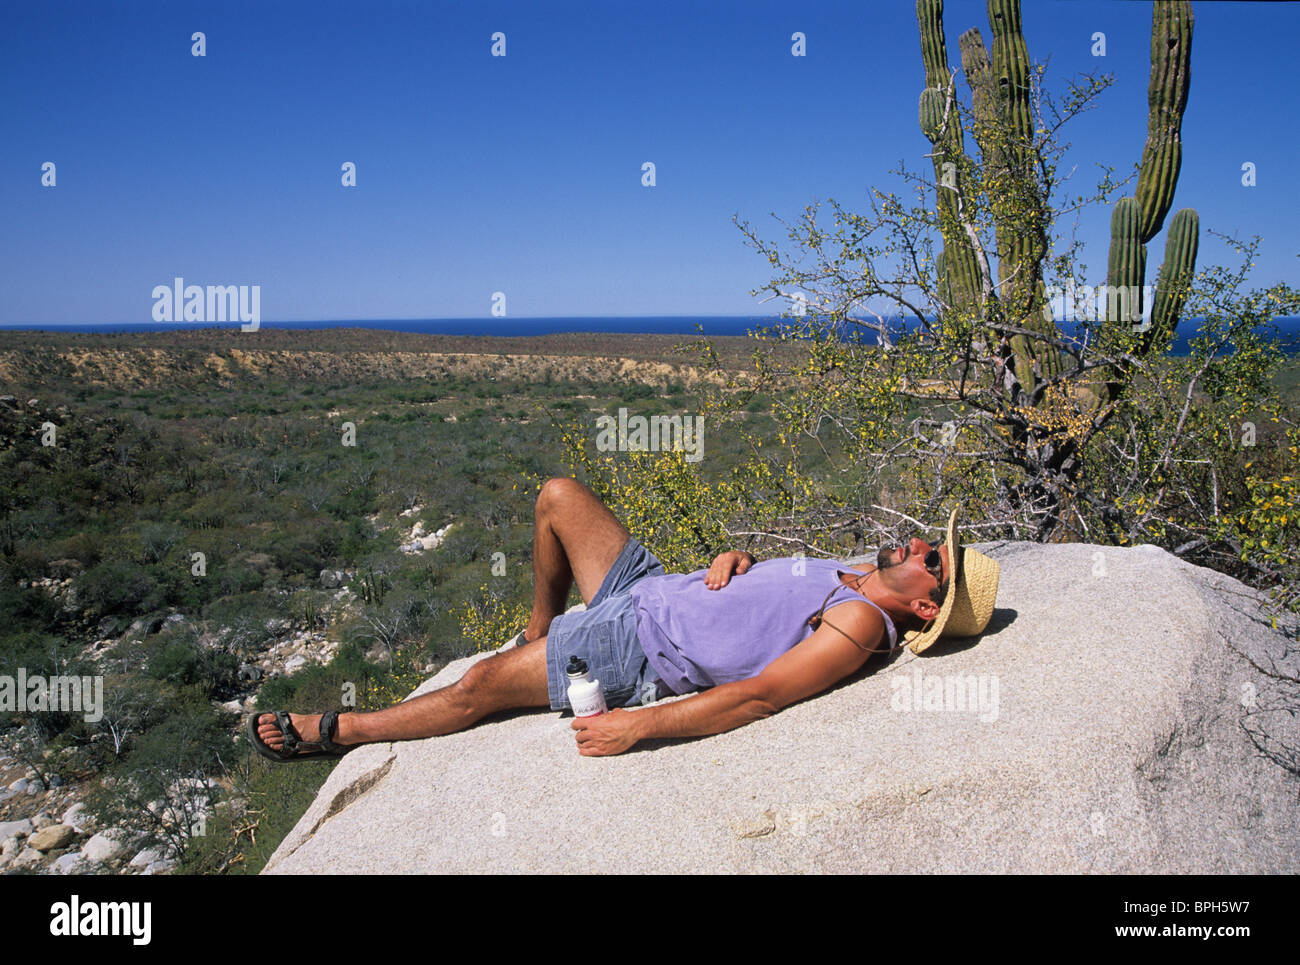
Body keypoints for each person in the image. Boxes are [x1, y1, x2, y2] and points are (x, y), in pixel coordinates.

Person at [248, 477, 1000, 759]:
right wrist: (736, 557)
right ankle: (540, 626)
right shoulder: (853, 571)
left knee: (477, 685)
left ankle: (339, 732)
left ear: (925, 604)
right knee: (556, 496)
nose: (920, 543)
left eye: (932, 557)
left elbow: (762, 694)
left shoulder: (865, 622)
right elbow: (769, 596)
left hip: (635, 645)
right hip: (644, 586)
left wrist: (637, 727)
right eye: (932, 539)